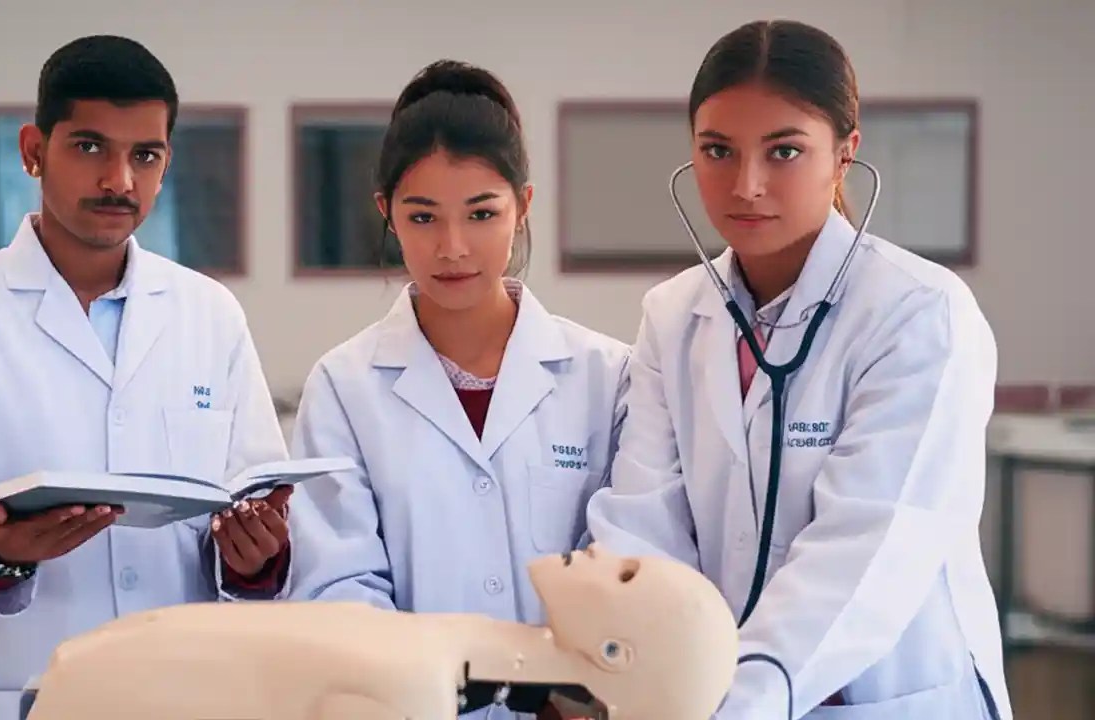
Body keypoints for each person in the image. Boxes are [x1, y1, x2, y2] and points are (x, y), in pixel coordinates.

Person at [586, 19, 1011, 720]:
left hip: (879, 695)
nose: (746, 185)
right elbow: (643, 521)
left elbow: (869, 547)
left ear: (845, 152)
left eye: (784, 150)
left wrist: (736, 699)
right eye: (717, 150)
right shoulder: (673, 315)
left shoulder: (919, 313)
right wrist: (646, 672)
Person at [0, 35, 290, 719]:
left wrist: (254, 556)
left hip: (186, 690)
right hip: (19, 691)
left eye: (144, 155)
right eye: (90, 147)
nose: (119, 180)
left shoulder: (209, 315)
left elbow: (255, 500)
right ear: (34, 150)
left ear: (165, 163)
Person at [281, 60, 630, 719]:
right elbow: (338, 584)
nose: (452, 247)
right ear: (386, 212)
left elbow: (629, 558)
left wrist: (575, 685)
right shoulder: (345, 387)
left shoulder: (606, 375)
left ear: (523, 205)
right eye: (422, 217)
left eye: (481, 214)